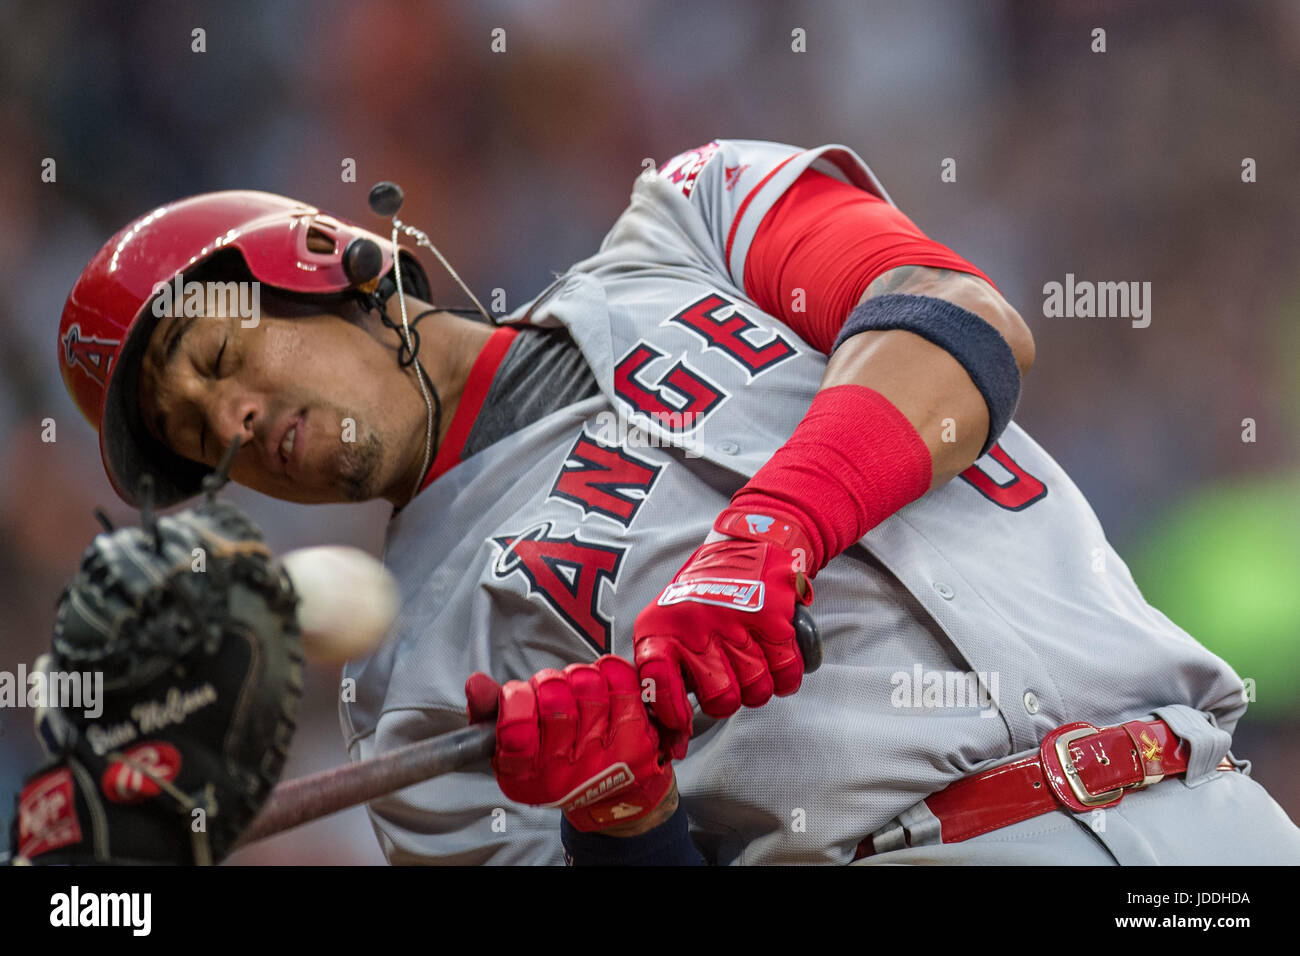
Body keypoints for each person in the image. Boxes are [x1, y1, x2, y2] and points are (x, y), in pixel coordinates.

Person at [57, 140, 1300, 865]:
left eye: (217, 364)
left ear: (331, 262)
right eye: (197, 439)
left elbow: (954, 320)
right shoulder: (413, 715)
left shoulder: (691, 213)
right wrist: (618, 814)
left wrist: (769, 535)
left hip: (1217, 816)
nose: (229, 425)